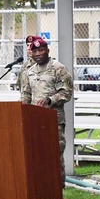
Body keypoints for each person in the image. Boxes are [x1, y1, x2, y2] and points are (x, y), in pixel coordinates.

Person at [19, 35, 74, 180]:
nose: (38, 54)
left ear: (47, 51)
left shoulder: (58, 68)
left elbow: (67, 92)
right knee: (36, 153)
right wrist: (22, 109)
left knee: (54, 153)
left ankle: (57, 185)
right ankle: (40, 185)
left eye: (41, 50)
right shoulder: (30, 71)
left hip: (53, 119)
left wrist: (50, 100)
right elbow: (26, 93)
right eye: (35, 51)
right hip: (34, 119)